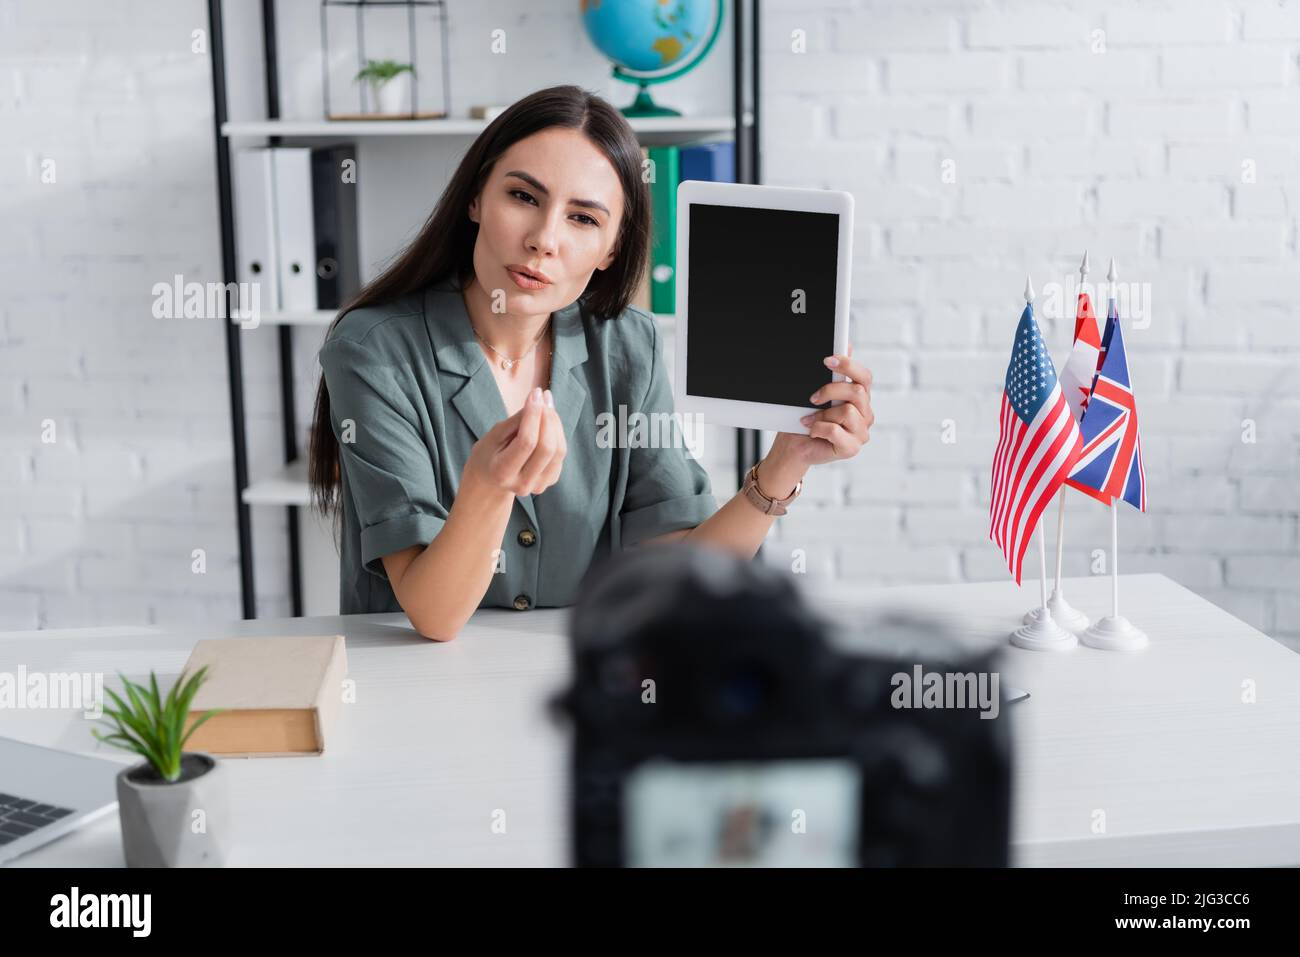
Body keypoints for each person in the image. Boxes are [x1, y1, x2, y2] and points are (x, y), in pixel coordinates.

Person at [307, 85, 875, 640]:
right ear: (475, 198)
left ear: (611, 250)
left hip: (577, 675)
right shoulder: (372, 349)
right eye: (523, 197)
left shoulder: (631, 345)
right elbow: (435, 616)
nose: (544, 239)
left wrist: (785, 462)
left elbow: (676, 582)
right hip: (410, 683)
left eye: (583, 218)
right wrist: (487, 485)